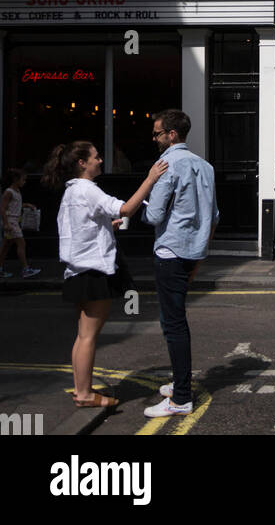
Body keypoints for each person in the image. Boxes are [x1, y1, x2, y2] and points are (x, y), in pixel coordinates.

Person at [42, 140, 168, 408]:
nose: (100, 160)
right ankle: (86, 395)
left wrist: (104, 226)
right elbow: (125, 208)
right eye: (96, 157)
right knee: (89, 336)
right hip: (95, 271)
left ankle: (80, 390)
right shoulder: (88, 189)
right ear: (82, 163)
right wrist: (150, 179)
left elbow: (82, 229)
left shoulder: (72, 192)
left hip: (77, 270)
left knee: (82, 335)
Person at [141, 109, 219, 418]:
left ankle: (182, 398)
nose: (155, 139)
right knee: (176, 321)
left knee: (172, 324)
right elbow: (213, 217)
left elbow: (154, 216)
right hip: (192, 253)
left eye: (158, 133)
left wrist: (145, 206)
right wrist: (201, 249)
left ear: (172, 134)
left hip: (170, 251)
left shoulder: (166, 165)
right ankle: (179, 385)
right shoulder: (206, 167)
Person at [1, 169, 41, 278]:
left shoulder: (17, 191)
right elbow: (3, 208)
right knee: (21, 244)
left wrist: (26, 205)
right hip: (11, 222)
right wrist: (6, 224)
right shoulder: (9, 192)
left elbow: (15, 206)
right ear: (15, 179)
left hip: (13, 222)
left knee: (5, 247)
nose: (24, 182)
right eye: (23, 180)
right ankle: (25, 270)